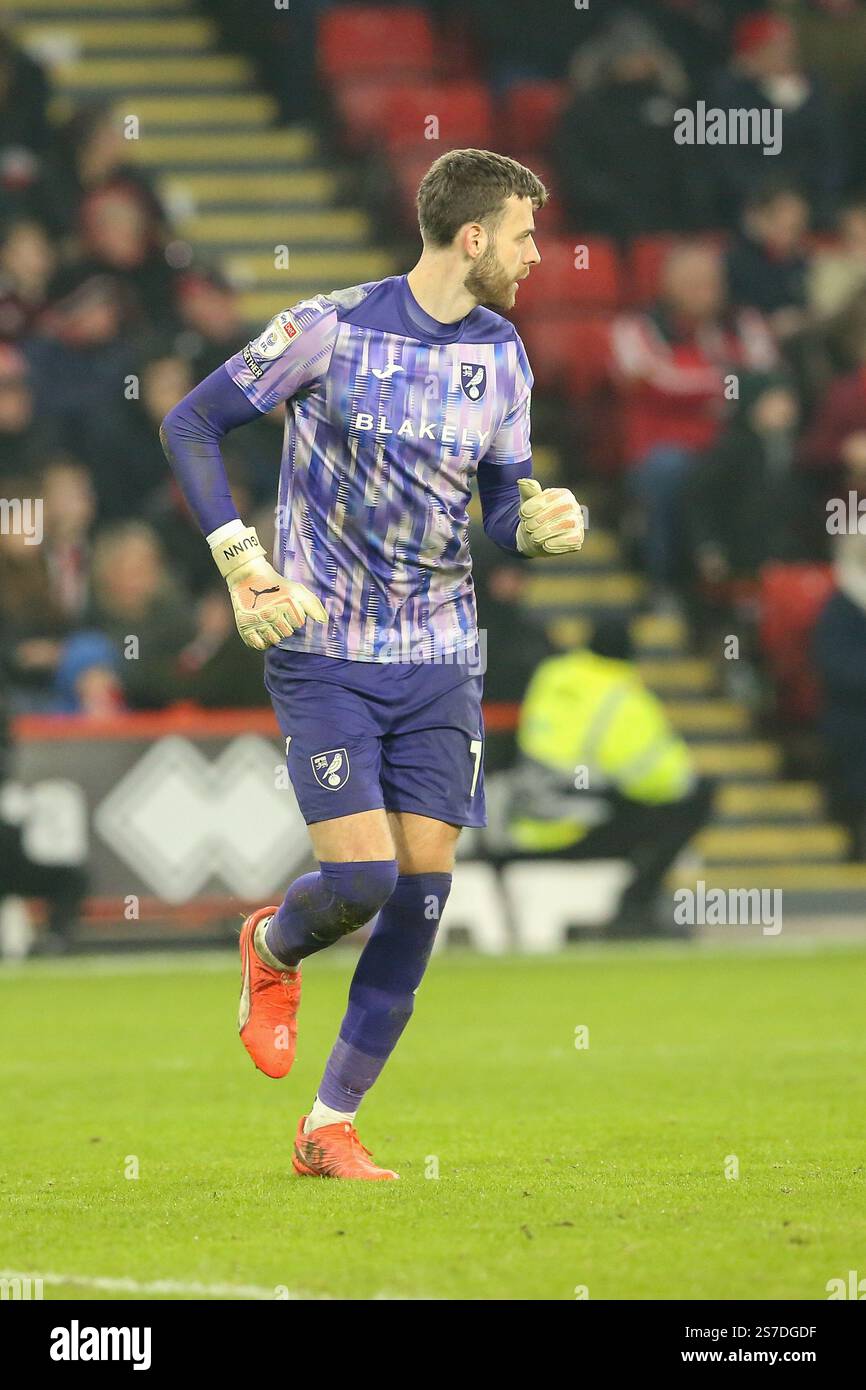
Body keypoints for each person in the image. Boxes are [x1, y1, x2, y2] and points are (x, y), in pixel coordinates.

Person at [160, 148, 585, 1180]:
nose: (537, 256)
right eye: (524, 235)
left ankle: (329, 1124)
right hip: (324, 647)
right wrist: (239, 560)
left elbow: (498, 504)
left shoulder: (504, 358)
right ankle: (271, 948)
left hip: (440, 653)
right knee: (362, 877)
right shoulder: (328, 328)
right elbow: (192, 422)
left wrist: (535, 524)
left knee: (424, 891)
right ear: (473, 235)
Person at [504, 616, 714, 938]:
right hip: (576, 831)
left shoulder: (552, 674)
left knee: (614, 798)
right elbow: (669, 781)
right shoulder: (623, 696)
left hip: (525, 824)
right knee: (696, 798)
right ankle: (634, 908)